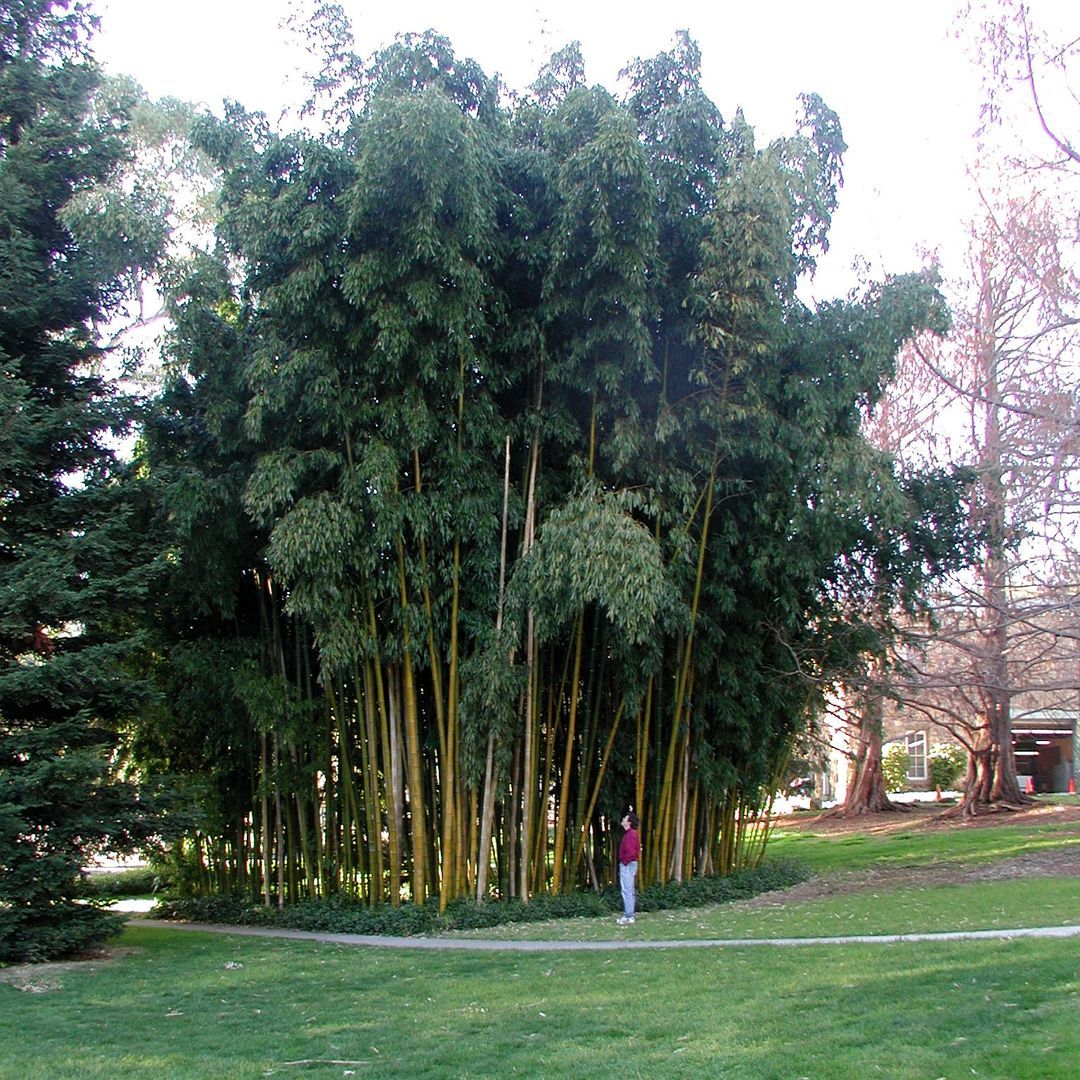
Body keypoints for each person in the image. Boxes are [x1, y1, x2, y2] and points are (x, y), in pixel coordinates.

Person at [617, 812, 640, 925]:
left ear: (629, 822)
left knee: (627, 890)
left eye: (625, 818)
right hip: (629, 863)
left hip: (628, 864)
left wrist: (624, 862)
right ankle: (629, 914)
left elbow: (631, 852)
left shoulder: (631, 834)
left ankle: (629, 916)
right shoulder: (630, 834)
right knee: (628, 890)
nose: (623, 819)